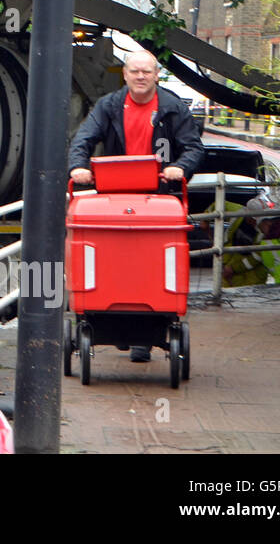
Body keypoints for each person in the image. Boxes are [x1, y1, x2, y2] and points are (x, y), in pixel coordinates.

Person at [68, 49, 205, 362]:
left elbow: (194, 147)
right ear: (126, 75)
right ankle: (108, 313)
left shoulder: (172, 108)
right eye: (134, 72)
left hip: (159, 194)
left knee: (152, 262)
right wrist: (78, 166)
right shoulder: (110, 106)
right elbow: (84, 139)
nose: (140, 77)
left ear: (156, 75)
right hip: (116, 192)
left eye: (146, 72)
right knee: (114, 257)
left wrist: (180, 168)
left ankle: (148, 327)